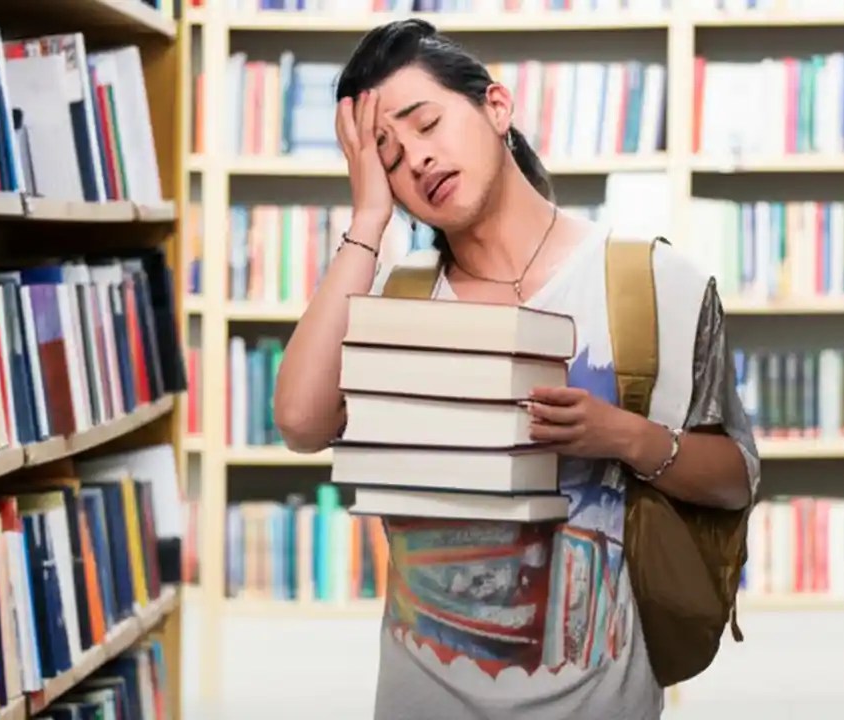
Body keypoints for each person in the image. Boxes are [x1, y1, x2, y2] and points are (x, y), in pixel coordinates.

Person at [273, 19, 761, 720]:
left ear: (496, 108)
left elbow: (735, 477)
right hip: (422, 696)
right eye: (388, 153)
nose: (417, 158)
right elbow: (299, 421)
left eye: (427, 123)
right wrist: (368, 219)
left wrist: (623, 437)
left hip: (602, 698)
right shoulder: (399, 300)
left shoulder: (652, 281)